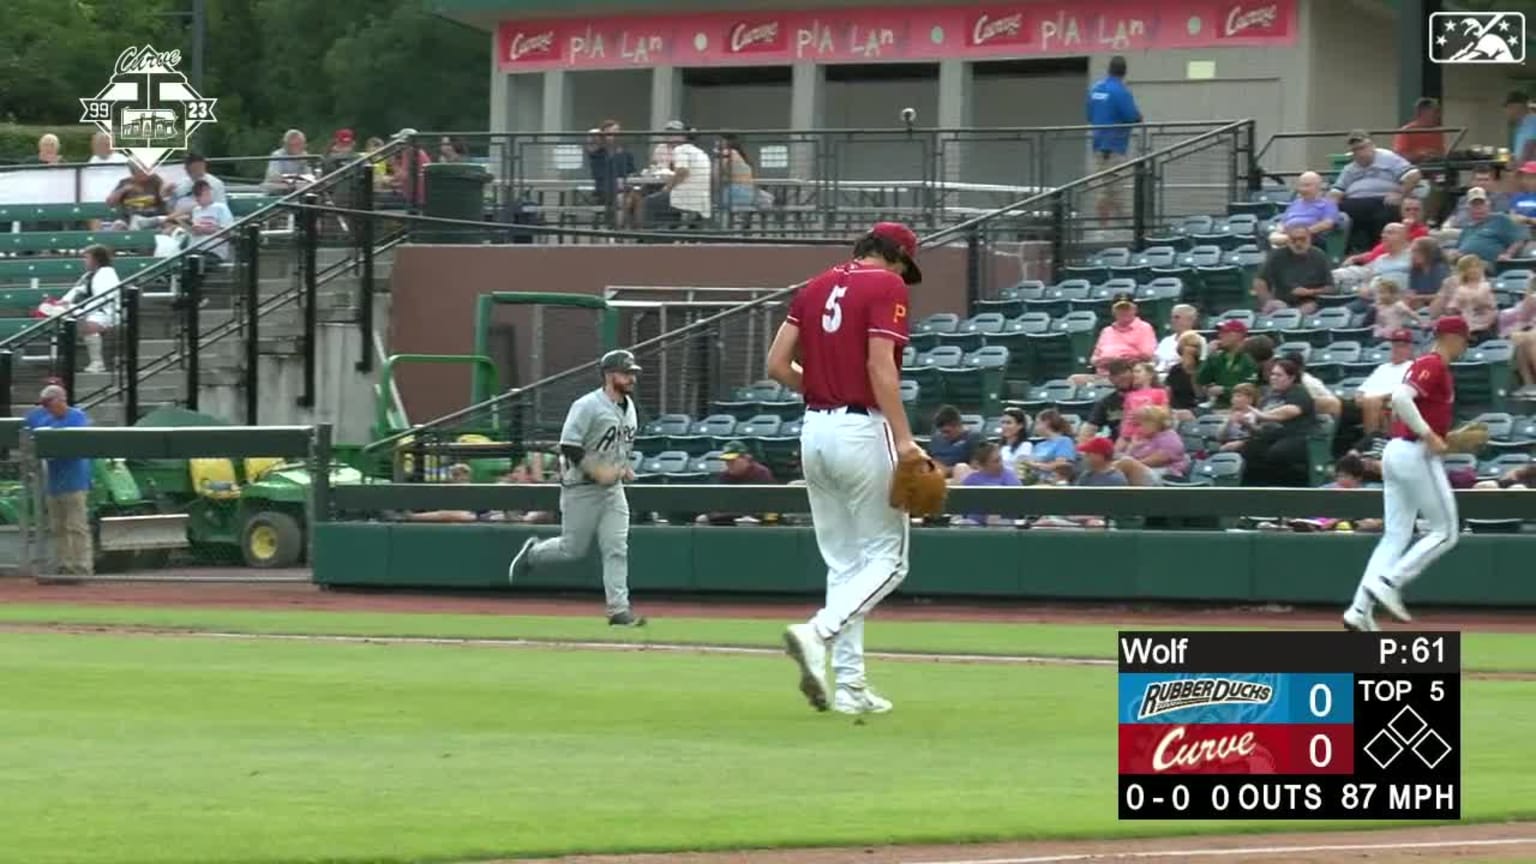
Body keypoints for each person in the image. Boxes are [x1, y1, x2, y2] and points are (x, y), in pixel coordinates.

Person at [766, 221, 924, 716]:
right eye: (904, 263)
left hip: (814, 428)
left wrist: (822, 389)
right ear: (896, 255)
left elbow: (776, 365)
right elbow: (881, 367)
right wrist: (904, 439)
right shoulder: (887, 284)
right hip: (861, 429)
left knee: (846, 566)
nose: (903, 274)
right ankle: (818, 633)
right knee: (890, 561)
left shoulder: (814, 286)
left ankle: (851, 686)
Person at [1344, 316, 1471, 631]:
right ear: (1453, 337)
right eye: (1464, 339)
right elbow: (1401, 398)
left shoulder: (1432, 366)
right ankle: (1391, 581)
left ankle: (1359, 610)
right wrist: (1429, 435)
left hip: (1398, 451)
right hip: (1415, 452)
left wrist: (1447, 437)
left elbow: (1420, 411)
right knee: (1445, 532)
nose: (1465, 346)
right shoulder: (1433, 363)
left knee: (1395, 536)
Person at [507, 349, 645, 627]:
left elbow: (619, 445)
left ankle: (618, 610)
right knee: (573, 549)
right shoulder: (587, 405)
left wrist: (623, 467)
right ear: (609, 375)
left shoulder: (630, 407)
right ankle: (533, 553)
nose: (632, 378)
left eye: (633, 373)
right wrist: (597, 471)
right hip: (581, 488)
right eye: (626, 373)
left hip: (613, 491)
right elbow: (569, 445)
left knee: (617, 548)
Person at [25, 386, 93, 577]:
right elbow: (29, 422)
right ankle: (63, 566)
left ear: (61, 400)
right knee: (57, 528)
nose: (46, 408)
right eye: (44, 404)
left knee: (76, 526)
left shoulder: (77, 417)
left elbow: (71, 441)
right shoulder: (46, 419)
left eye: (49, 403)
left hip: (75, 481)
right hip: (54, 483)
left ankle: (81, 567)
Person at [1330, 132, 1421, 255]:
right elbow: (1336, 192)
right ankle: (1355, 252)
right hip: (1355, 203)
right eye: (1355, 150)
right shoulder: (1350, 168)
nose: (1359, 153)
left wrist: (1400, 193)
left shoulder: (1388, 158)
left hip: (1384, 201)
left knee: (1384, 214)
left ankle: (1378, 252)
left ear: (1372, 146)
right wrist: (1329, 209)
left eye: (1362, 148)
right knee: (1341, 213)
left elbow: (1414, 175)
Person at [1237, 356, 1317, 487]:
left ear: (1291, 378)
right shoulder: (1268, 397)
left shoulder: (1298, 392)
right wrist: (1248, 424)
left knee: (1277, 453)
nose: (1273, 378)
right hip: (1270, 436)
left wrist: (1263, 415)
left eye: (1279, 375)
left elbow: (1291, 410)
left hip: (1296, 436)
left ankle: (1282, 489)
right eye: (1272, 374)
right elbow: (1259, 427)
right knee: (1248, 450)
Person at [1086, 55, 1142, 222]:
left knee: (1102, 189)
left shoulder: (1095, 89)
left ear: (1109, 69)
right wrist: (1139, 118)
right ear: (1124, 72)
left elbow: (1089, 115)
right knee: (1117, 190)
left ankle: (1102, 228)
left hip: (1098, 145)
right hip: (1115, 146)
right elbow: (1131, 116)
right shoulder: (1121, 91)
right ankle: (1124, 228)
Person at [55, 245, 121, 373]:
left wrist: (79, 311)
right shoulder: (89, 275)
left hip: (106, 313)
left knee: (85, 325)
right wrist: (64, 302)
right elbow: (77, 290)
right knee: (60, 314)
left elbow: (103, 298)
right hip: (92, 311)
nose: (84, 261)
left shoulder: (106, 274)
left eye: (87, 258)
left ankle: (97, 362)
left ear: (96, 259)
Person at [1254, 221, 1335, 314]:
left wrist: (1309, 292)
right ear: (1288, 240)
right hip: (1282, 302)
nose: (1298, 243)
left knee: (1308, 308)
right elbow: (1259, 282)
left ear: (1310, 239)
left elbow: (1330, 288)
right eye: (1293, 240)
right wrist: (1268, 301)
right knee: (1273, 307)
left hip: (1309, 302)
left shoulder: (1319, 256)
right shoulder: (1277, 255)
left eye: (1302, 239)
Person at [1430, 254, 1499, 342]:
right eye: (1470, 268)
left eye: (1476, 267)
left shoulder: (1486, 286)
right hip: (1462, 327)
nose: (1473, 271)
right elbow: (1437, 312)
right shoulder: (1453, 286)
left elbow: (1492, 308)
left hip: (1483, 327)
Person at [1198, 320, 1260, 408]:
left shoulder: (1248, 359)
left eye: (1225, 332)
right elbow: (1201, 379)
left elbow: (1250, 390)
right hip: (1217, 405)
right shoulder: (1217, 357)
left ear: (1237, 335)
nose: (1220, 336)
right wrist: (1209, 355)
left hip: (1240, 408)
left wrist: (1224, 390)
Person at [1164, 331, 1206, 419]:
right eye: (1189, 345)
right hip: (1176, 408)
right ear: (1181, 348)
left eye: (1196, 346)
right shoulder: (1175, 369)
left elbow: (1201, 395)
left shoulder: (1203, 367)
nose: (1192, 349)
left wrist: (1191, 371)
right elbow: (1168, 392)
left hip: (1197, 407)